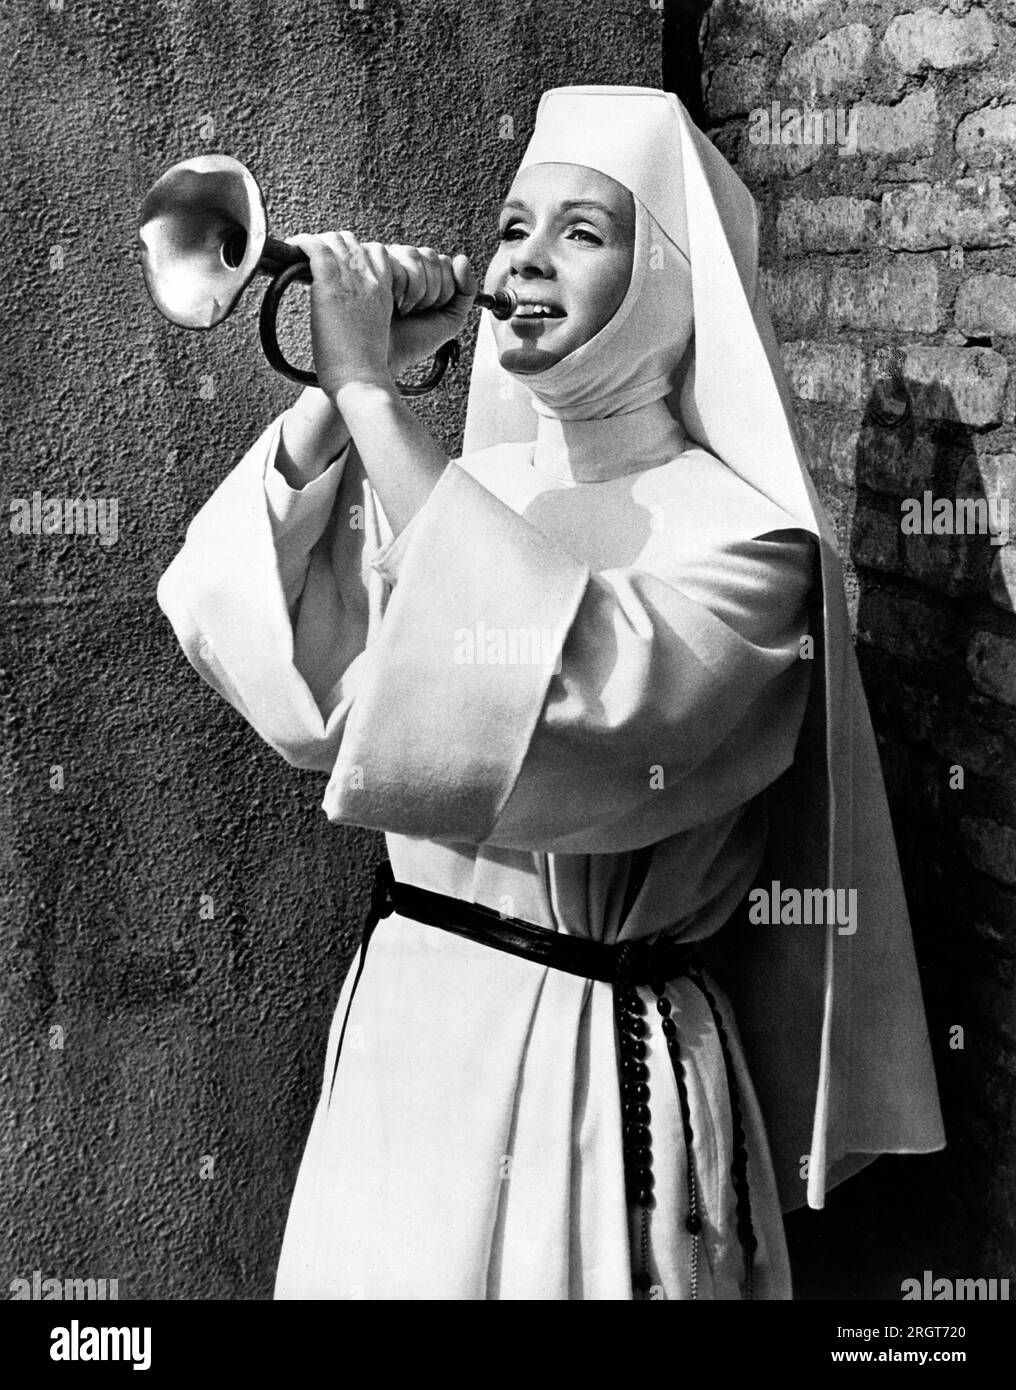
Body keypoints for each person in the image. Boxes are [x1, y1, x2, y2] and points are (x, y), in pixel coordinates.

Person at [157, 86, 945, 1300]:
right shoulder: (467, 487)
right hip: (408, 1036)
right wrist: (334, 399)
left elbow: (586, 703)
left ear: (668, 282)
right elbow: (277, 669)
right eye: (516, 226)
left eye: (582, 230)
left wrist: (373, 399)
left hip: (587, 1063)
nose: (525, 257)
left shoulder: (752, 547)